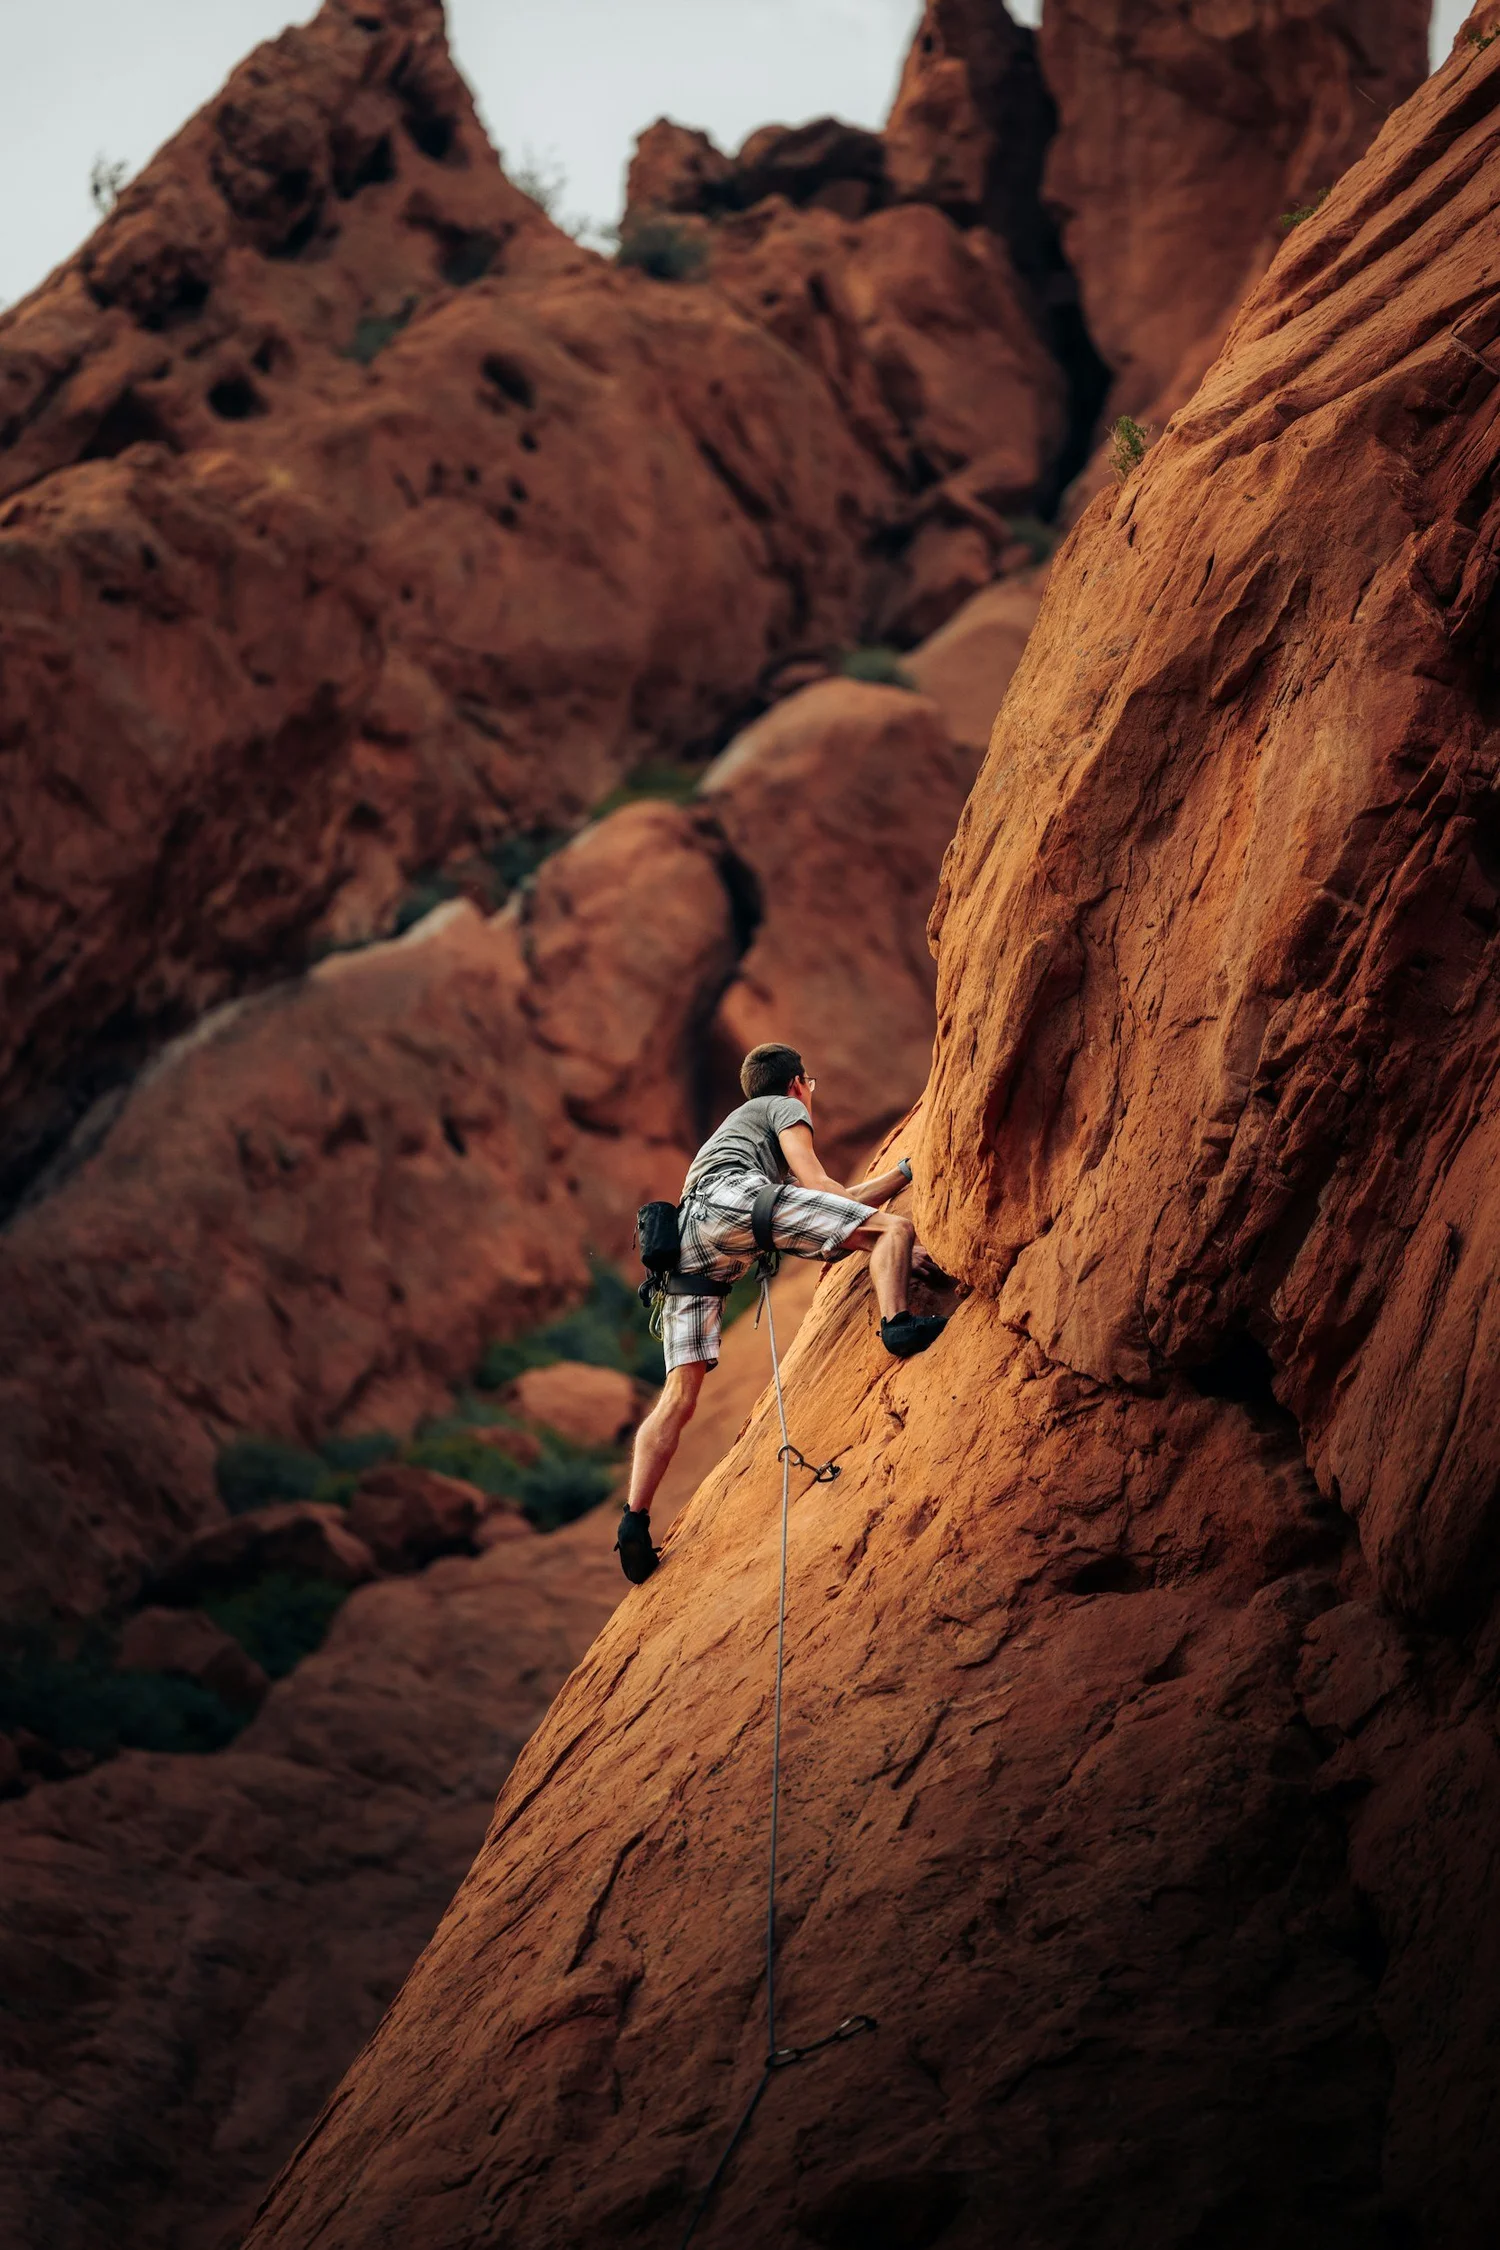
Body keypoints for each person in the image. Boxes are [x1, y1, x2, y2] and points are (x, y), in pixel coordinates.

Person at [617, 1042, 945, 1583]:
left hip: (693, 1241)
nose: (809, 1095)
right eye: (809, 1085)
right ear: (796, 1084)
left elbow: (826, 1207)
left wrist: (903, 1173)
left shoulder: (736, 1135)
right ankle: (898, 1326)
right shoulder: (783, 1107)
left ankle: (634, 1522)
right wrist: (892, 1235)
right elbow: (820, 1187)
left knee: (679, 1396)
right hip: (738, 1204)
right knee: (895, 1230)